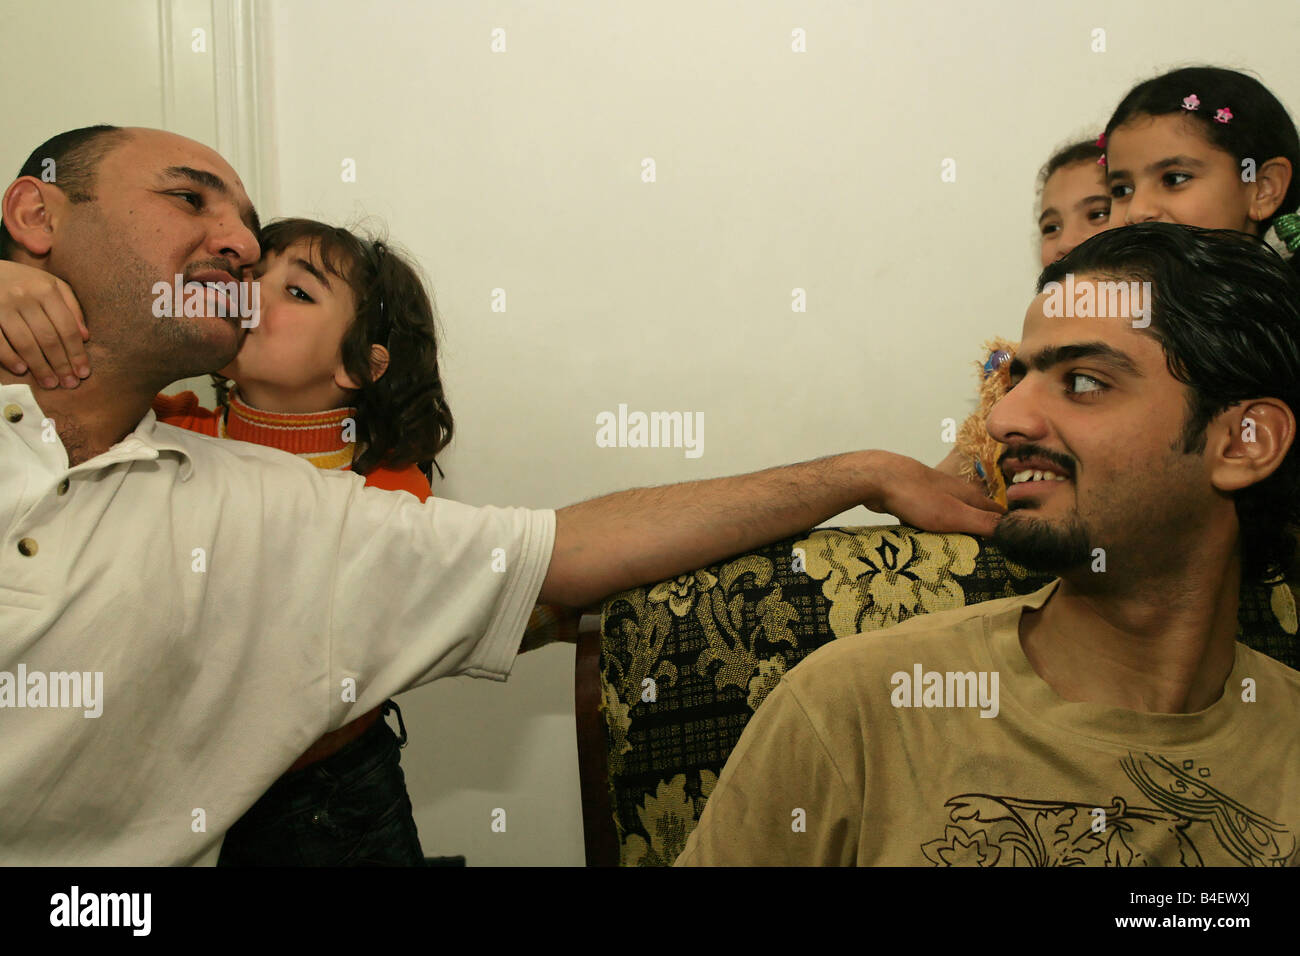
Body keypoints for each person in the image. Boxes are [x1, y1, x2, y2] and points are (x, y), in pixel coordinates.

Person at [0, 124, 1001, 864]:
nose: (241, 246)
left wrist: (857, 473)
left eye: (253, 231)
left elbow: (564, 553)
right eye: (192, 200)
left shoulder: (264, 508)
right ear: (35, 215)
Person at [676, 223, 1300, 866]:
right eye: (1016, 379)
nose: (1003, 421)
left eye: (1084, 381)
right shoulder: (856, 711)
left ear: (1243, 441)